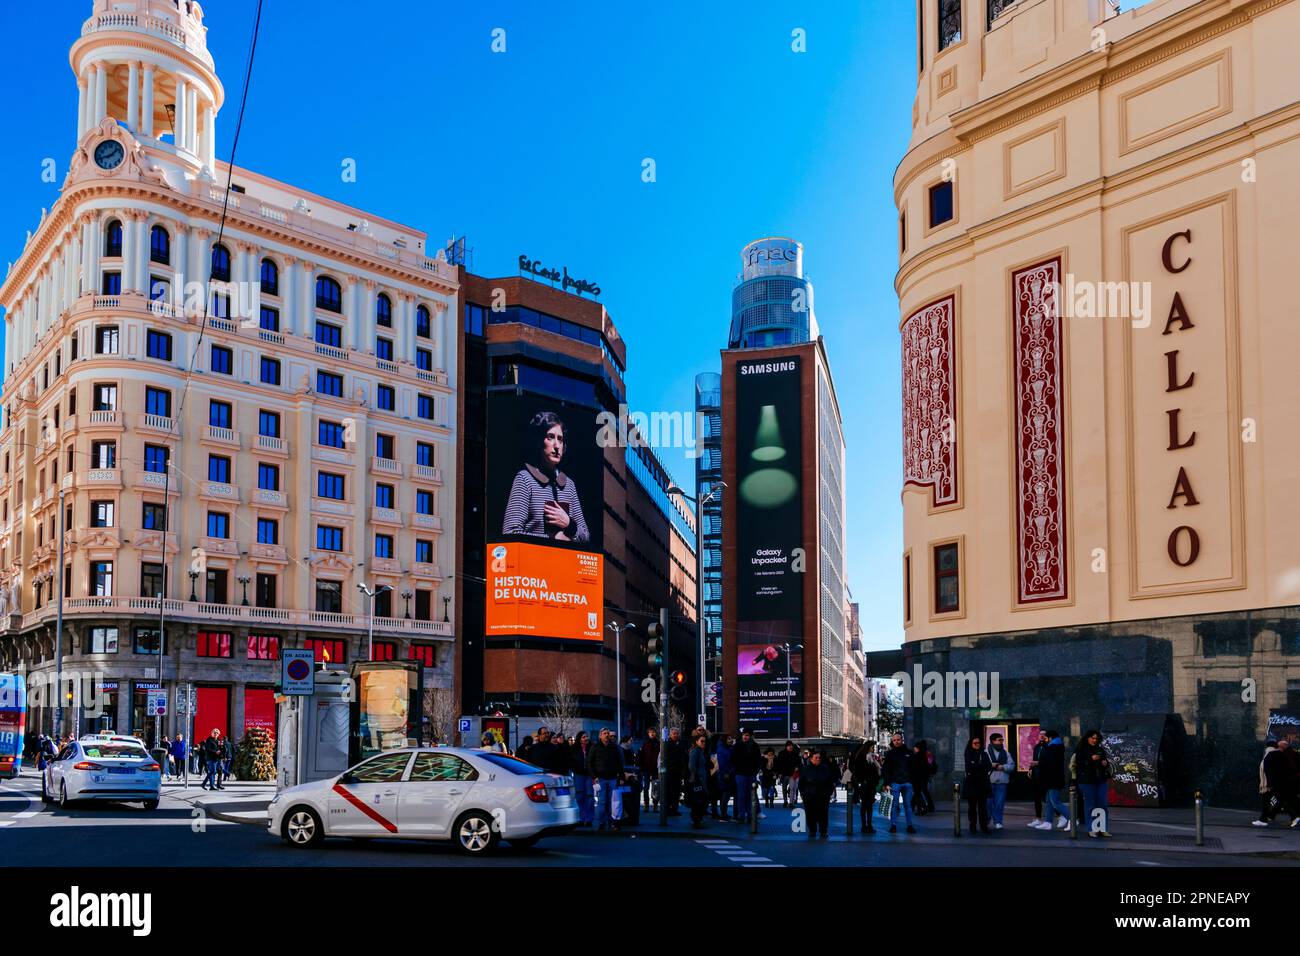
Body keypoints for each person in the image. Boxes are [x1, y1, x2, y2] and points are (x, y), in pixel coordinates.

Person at [501, 410, 590, 543]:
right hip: (534, 562)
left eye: (560, 439)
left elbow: (586, 537)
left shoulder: (568, 485)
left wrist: (569, 525)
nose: (556, 446)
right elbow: (511, 532)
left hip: (565, 562)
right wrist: (551, 540)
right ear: (539, 442)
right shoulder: (525, 479)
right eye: (550, 437)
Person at [1074, 729, 1113, 837]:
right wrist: (1091, 759)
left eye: (1096, 738)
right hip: (1086, 781)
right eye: (1093, 738)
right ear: (1087, 738)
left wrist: (1105, 764)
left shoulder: (1099, 749)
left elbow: (1106, 763)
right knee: (1090, 805)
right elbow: (1078, 764)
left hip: (1100, 779)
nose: (1094, 740)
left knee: (1102, 804)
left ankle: (1103, 828)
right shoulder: (1081, 749)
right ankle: (1091, 828)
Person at [1255, 737, 1300, 828]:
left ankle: (1265, 819)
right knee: (1284, 800)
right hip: (1280, 783)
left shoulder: (1271, 754)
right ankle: (1265, 818)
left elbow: (1268, 770)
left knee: (1282, 800)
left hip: (1273, 783)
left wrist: (1269, 783)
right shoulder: (1281, 754)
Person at [587, 728, 625, 831]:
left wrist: (621, 777)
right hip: (601, 778)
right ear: (600, 736)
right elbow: (589, 763)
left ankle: (613, 822)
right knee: (602, 801)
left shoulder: (614, 748)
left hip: (612, 778)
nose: (607, 735)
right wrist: (593, 777)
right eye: (604, 733)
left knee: (613, 802)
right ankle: (601, 822)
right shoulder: (595, 747)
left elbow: (619, 764)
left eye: (608, 733)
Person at [1033, 730, 1070, 830]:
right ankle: (1048, 822)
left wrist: (1039, 763)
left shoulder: (1053, 748)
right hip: (1052, 778)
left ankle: (1072, 819)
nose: (1045, 740)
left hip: (1053, 779)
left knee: (1055, 801)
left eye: (1046, 738)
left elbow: (1049, 764)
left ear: (1050, 738)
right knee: (1049, 801)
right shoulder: (1055, 747)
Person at [881, 732, 916, 834]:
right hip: (895, 783)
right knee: (894, 805)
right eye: (894, 740)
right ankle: (893, 825)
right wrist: (886, 783)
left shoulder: (909, 753)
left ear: (902, 740)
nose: (896, 742)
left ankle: (909, 825)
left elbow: (914, 768)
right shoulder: (890, 754)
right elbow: (886, 769)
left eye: (898, 740)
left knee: (908, 805)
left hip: (907, 783)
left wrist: (912, 781)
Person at [799, 750, 836, 839]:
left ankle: (823, 831)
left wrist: (828, 793)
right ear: (811, 759)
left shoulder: (825, 768)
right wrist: (804, 794)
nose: (818, 759)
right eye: (816, 758)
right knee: (810, 814)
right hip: (809, 796)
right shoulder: (806, 769)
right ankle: (812, 830)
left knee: (823, 814)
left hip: (823, 796)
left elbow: (830, 782)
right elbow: (801, 783)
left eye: (819, 758)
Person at [850, 739, 882, 834]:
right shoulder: (861, 757)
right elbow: (859, 771)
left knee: (868, 806)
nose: (873, 749)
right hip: (865, 785)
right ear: (868, 747)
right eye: (872, 747)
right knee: (865, 805)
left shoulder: (871, 757)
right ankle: (865, 826)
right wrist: (863, 781)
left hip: (871, 785)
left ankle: (869, 825)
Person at [963, 735, 993, 833]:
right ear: (971, 744)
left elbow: (988, 766)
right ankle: (972, 825)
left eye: (979, 743)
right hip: (971, 783)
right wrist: (979, 766)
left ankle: (983, 826)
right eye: (975, 743)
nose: (977, 745)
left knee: (982, 807)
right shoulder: (968, 753)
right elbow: (970, 766)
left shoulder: (984, 753)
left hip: (982, 784)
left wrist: (977, 766)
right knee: (972, 807)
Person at [732, 728, 762, 823]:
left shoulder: (755, 746)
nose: (745, 737)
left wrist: (755, 770)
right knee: (741, 795)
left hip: (751, 774)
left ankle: (750, 815)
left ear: (751, 736)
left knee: (751, 795)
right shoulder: (738, 745)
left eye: (747, 735)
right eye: (744, 735)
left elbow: (758, 760)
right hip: (741, 774)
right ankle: (742, 815)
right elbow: (733, 759)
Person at [986, 732, 1015, 829]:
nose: (1001, 742)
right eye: (999, 740)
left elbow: (1012, 766)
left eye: (1002, 740)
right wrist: (991, 765)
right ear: (993, 741)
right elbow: (982, 766)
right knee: (988, 803)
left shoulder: (1005, 752)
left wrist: (1003, 767)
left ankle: (998, 821)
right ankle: (987, 819)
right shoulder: (986, 752)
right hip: (989, 781)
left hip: (1002, 782)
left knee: (999, 803)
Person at [687, 731, 711, 828]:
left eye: (704, 741)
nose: (703, 743)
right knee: (699, 800)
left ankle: (698, 818)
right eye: (701, 741)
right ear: (696, 742)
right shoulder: (695, 751)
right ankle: (697, 819)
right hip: (698, 779)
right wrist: (694, 777)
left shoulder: (701, 751)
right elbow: (692, 766)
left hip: (702, 778)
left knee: (702, 800)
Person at [571, 731, 594, 827]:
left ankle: (589, 819)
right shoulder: (574, 749)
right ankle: (581, 817)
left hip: (589, 774)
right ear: (579, 738)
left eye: (587, 736)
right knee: (580, 796)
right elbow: (571, 760)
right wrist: (575, 768)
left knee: (589, 796)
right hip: (579, 774)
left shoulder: (592, 747)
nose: (586, 738)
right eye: (584, 737)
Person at [1027, 730, 1049, 827]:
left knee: (1047, 798)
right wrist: (1031, 769)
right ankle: (1038, 819)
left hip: (1045, 775)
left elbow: (1049, 761)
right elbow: (1034, 759)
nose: (1042, 736)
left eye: (1044, 734)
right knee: (1037, 798)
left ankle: (1061, 816)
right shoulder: (1037, 746)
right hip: (1036, 775)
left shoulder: (1048, 747)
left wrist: (1038, 763)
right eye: (1040, 734)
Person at [908, 740, 936, 815]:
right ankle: (913, 805)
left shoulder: (918, 756)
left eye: (915, 748)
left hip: (918, 777)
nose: (914, 749)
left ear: (918, 748)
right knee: (919, 791)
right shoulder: (926, 754)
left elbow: (912, 767)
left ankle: (923, 808)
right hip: (925, 776)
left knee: (918, 791)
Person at [663, 728, 686, 816]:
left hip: (678, 771)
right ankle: (668, 809)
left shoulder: (680, 743)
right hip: (670, 771)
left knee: (676, 792)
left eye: (677, 733)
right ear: (670, 734)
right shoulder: (667, 744)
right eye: (674, 734)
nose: (676, 735)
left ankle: (675, 809)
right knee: (669, 792)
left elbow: (682, 757)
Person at [713, 733, 735, 821]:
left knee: (726, 796)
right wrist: (728, 772)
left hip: (728, 774)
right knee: (725, 795)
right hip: (725, 775)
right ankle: (724, 814)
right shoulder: (722, 749)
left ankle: (724, 814)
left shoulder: (728, 748)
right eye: (729, 739)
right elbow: (723, 763)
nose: (731, 740)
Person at [639, 727, 661, 811]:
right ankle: (646, 804)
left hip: (655, 768)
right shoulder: (645, 744)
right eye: (650, 732)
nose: (652, 734)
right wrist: (641, 768)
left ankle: (655, 804)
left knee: (656, 787)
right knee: (646, 787)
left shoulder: (659, 743)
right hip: (646, 768)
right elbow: (641, 756)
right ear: (648, 734)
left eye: (653, 732)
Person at [774, 740, 800, 808]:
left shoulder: (795, 753)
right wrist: (779, 773)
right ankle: (785, 801)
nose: (790, 747)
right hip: (784, 773)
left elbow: (799, 762)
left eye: (791, 746)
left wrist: (797, 767)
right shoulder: (781, 753)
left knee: (792, 788)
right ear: (786, 747)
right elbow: (778, 764)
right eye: (789, 746)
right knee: (784, 788)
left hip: (792, 774)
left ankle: (791, 802)